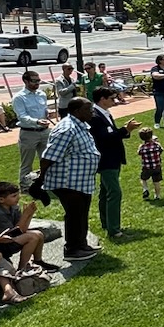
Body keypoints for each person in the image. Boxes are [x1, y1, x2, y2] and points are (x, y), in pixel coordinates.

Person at [37, 97, 101, 261]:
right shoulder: (67, 129)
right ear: (77, 111)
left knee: (82, 213)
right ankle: (72, 249)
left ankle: (81, 244)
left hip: (81, 181)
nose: (92, 111)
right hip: (68, 181)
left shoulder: (80, 125)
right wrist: (40, 180)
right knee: (74, 214)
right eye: (88, 109)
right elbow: (48, 158)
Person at [88, 87, 138, 239]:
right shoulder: (95, 116)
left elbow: (112, 133)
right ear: (102, 99)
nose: (114, 101)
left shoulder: (104, 113)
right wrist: (125, 130)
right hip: (106, 160)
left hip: (112, 158)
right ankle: (114, 230)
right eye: (111, 98)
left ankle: (106, 223)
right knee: (114, 192)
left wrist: (125, 131)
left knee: (105, 191)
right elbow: (104, 138)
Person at [9, 70, 53, 186]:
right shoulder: (19, 97)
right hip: (29, 133)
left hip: (45, 132)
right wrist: (37, 121)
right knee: (27, 162)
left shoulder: (41, 94)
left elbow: (43, 109)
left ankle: (46, 183)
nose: (37, 83)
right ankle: (24, 186)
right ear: (25, 81)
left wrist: (47, 113)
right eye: (34, 81)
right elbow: (22, 117)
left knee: (47, 159)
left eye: (39, 81)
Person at [136, 126, 164, 201]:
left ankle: (145, 189)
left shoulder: (142, 147)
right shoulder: (156, 145)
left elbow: (139, 153)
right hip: (157, 167)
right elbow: (161, 150)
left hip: (146, 167)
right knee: (156, 182)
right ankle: (157, 196)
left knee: (143, 179)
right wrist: (155, 141)